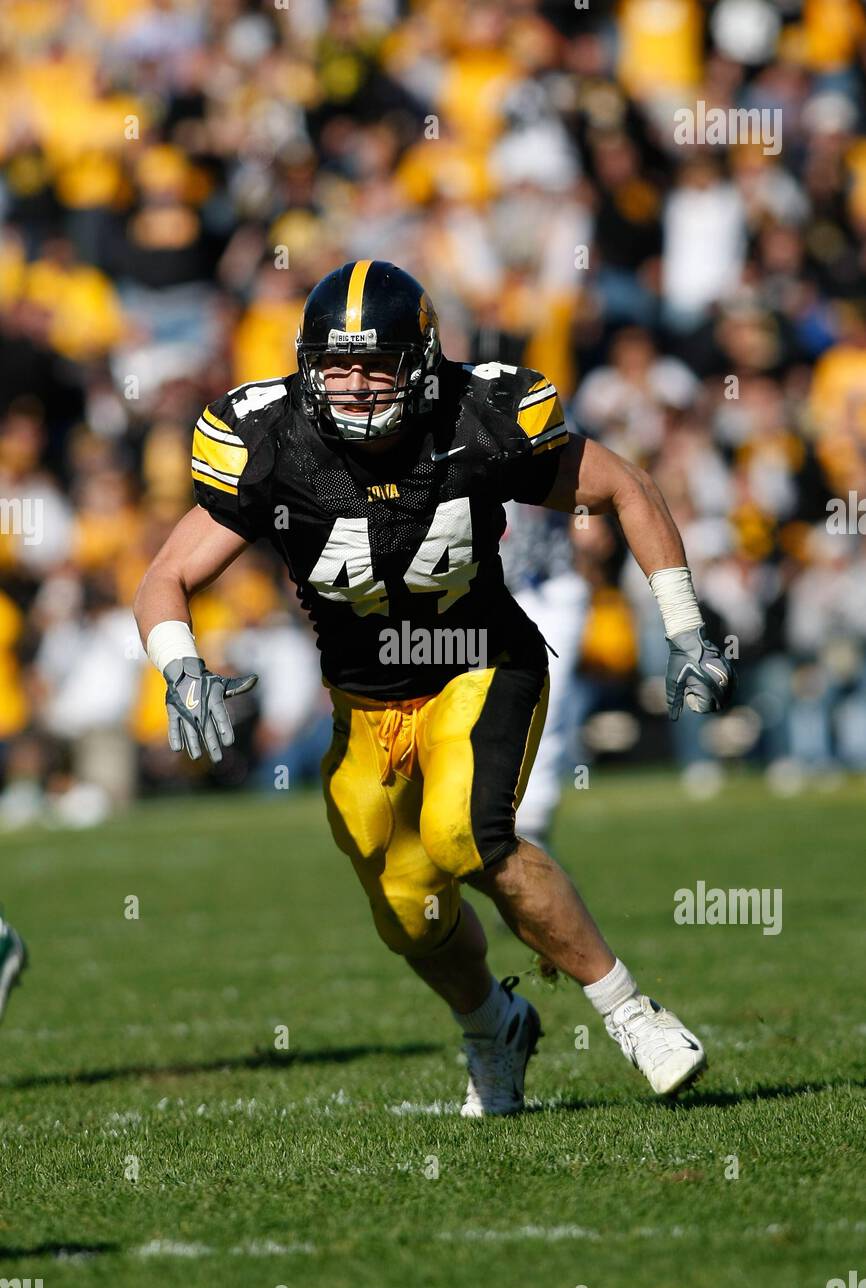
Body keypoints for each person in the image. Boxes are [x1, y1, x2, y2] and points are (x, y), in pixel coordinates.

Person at [134, 260, 735, 1116]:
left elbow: (625, 489)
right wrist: (179, 664)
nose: (353, 386)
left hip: (478, 661)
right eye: (335, 365)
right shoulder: (269, 440)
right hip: (364, 704)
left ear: (420, 361)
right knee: (408, 913)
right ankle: (495, 1026)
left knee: (464, 837)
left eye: (375, 365)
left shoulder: (480, 418)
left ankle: (631, 1013)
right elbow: (166, 575)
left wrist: (682, 626)